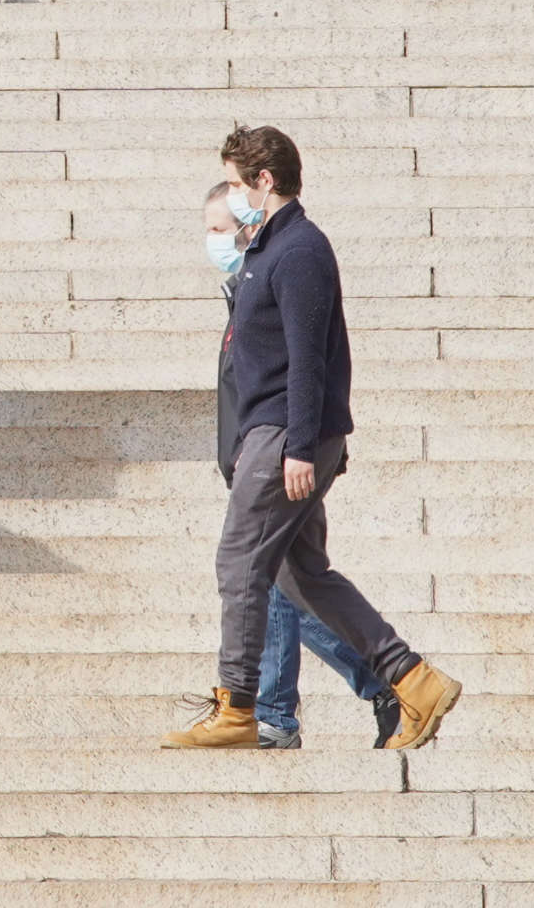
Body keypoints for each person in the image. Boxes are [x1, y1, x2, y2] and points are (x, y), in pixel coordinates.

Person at [164, 127, 462, 750]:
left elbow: (311, 360)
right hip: (277, 433)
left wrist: (301, 445)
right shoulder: (272, 249)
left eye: (240, 183)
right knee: (303, 576)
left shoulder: (297, 249)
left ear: (264, 182)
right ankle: (411, 678)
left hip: (285, 436)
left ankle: (239, 707)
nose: (235, 196)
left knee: (240, 563)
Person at [202, 181, 402, 750]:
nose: (213, 240)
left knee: (264, 578)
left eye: (219, 228)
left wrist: (300, 446)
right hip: (262, 457)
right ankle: (387, 680)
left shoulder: (288, 262)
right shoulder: (246, 286)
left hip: (282, 453)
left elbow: (309, 361)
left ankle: (273, 712)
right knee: (289, 578)